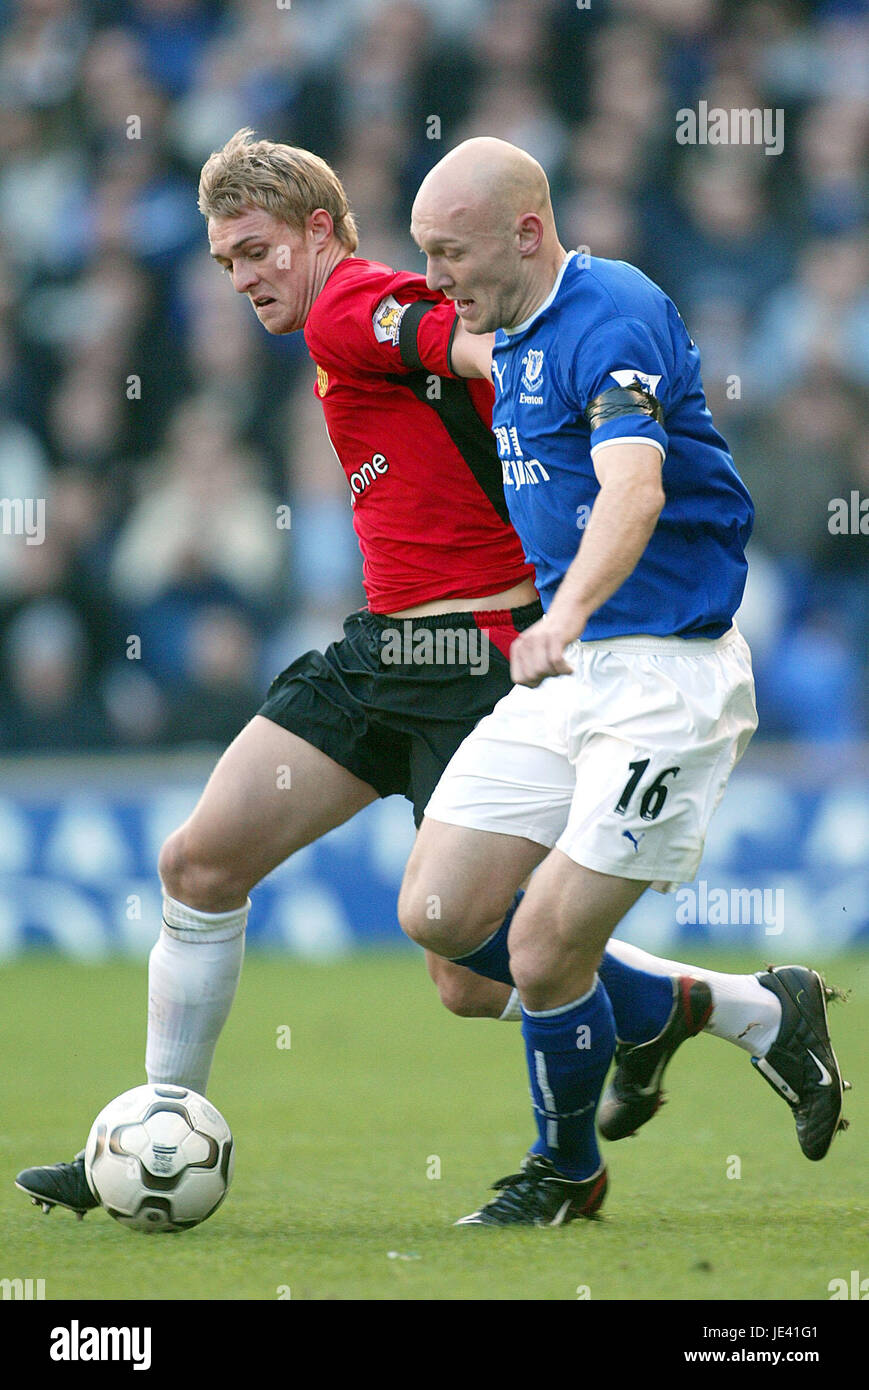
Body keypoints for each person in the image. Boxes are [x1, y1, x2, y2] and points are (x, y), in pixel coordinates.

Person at [16, 131, 844, 1222]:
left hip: (478, 659)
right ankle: (157, 1123)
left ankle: (712, 1019)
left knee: (474, 968)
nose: (243, 278)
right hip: (387, 650)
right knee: (202, 860)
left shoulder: (351, 304)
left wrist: (551, 383)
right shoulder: (351, 318)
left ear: (319, 231)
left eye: (256, 250)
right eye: (223, 264)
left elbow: (472, 341)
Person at [398, 136, 849, 1226]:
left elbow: (632, 491)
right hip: (572, 675)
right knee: (445, 925)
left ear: (524, 230)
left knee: (549, 944)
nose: (434, 279)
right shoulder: (499, 333)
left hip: (663, 674)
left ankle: (565, 1175)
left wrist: (562, 615)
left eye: (448, 252)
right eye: (423, 255)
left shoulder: (612, 310)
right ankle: (740, 1009)